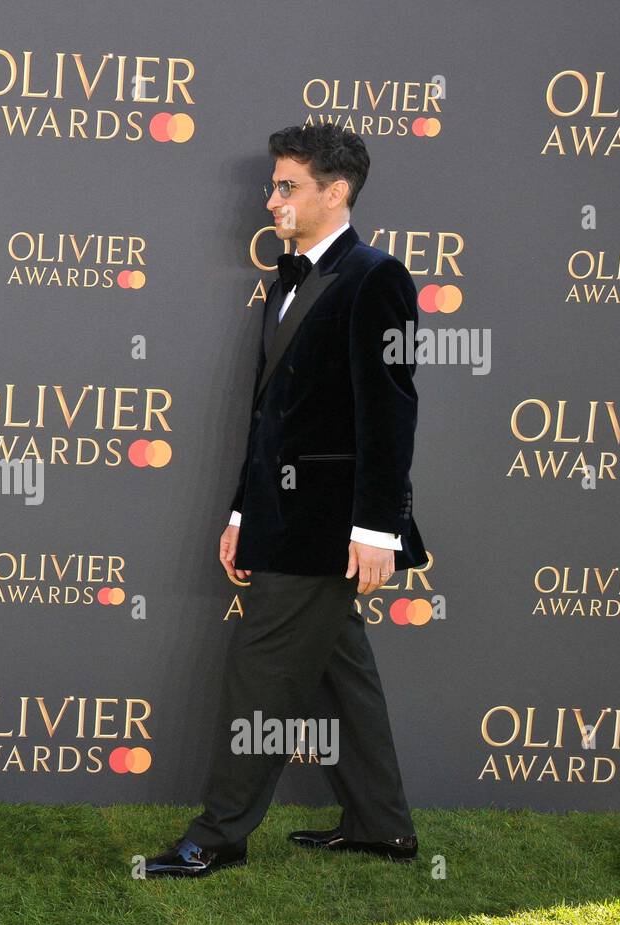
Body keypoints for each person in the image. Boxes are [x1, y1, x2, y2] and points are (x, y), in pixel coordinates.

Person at [143, 124, 425, 878]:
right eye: (272, 185)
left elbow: (390, 413)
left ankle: (218, 835)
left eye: (287, 186)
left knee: (260, 680)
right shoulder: (286, 277)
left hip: (328, 529)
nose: (271, 200)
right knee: (341, 672)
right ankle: (382, 825)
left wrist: (377, 529)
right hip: (280, 516)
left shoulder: (377, 278)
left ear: (336, 191)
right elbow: (270, 414)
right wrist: (241, 511)